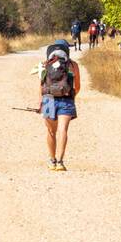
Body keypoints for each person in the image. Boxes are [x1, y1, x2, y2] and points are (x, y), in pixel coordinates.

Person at [37, 39, 80, 171]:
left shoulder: (44, 65)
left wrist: (41, 103)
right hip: (66, 99)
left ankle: (52, 160)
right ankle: (60, 162)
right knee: (63, 130)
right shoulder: (73, 65)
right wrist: (71, 95)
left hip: (48, 99)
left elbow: (41, 86)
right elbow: (77, 87)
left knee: (51, 131)